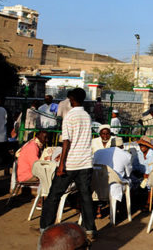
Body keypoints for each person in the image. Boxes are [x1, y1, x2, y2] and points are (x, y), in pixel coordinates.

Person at [40, 87, 96, 240]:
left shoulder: (70, 116)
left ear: (71, 100)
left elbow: (66, 142)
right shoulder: (86, 116)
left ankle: (46, 227)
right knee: (85, 197)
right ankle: (90, 229)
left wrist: (62, 164)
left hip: (71, 163)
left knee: (54, 195)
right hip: (85, 162)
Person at [92, 136, 132, 215]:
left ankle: (98, 209)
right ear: (122, 146)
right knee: (129, 182)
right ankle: (121, 210)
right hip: (113, 187)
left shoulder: (98, 152)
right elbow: (128, 173)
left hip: (96, 185)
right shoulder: (126, 155)